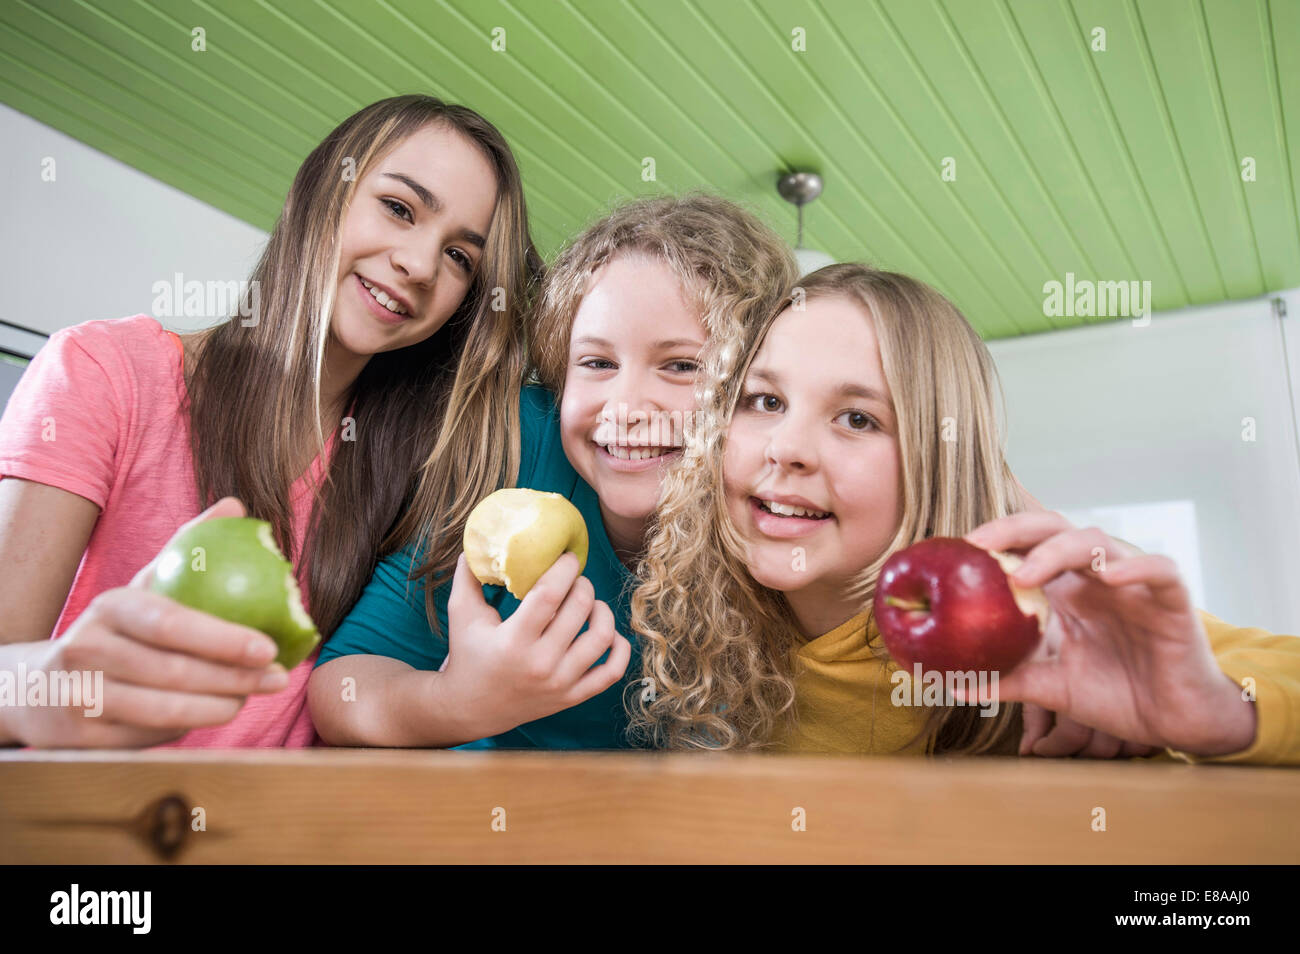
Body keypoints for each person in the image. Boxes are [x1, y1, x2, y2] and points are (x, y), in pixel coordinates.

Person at [0, 94, 540, 748]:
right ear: (320, 192)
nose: (420, 265)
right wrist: (59, 682)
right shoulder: (104, 372)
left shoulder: (410, 473)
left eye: (460, 258)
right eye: (399, 209)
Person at [629, 263, 1300, 765]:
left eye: (858, 418)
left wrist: (1219, 713)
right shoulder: (715, 629)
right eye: (765, 402)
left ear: (938, 460)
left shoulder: (1040, 620)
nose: (787, 449)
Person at [308, 193, 799, 748]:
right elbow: (343, 684)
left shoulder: (785, 513)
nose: (626, 407)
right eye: (597, 363)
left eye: (682, 366)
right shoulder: (520, 448)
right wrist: (459, 702)